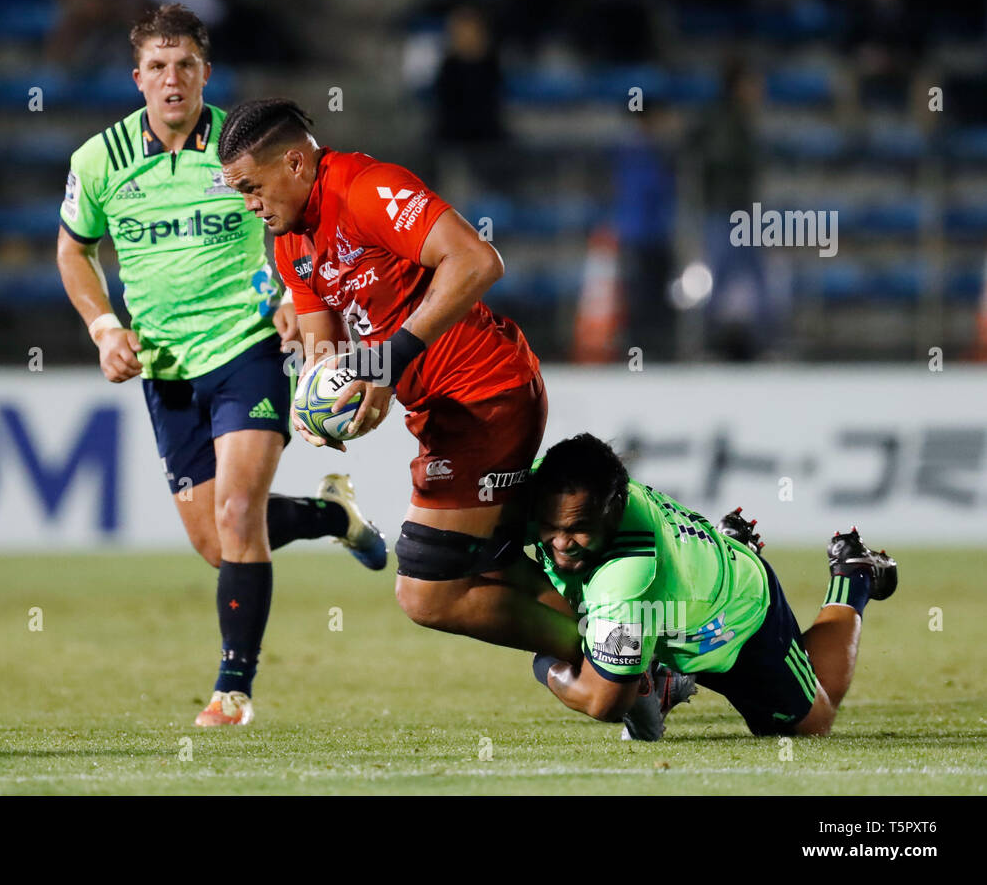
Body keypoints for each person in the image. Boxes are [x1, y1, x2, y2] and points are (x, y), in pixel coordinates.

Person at [55, 5, 385, 728]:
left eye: (186, 65)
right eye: (157, 67)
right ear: (136, 78)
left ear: (206, 72)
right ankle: (335, 514)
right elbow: (72, 249)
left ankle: (233, 691)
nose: (172, 79)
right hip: (166, 369)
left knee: (238, 515)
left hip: (247, 350)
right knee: (217, 543)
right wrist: (105, 326)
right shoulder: (98, 161)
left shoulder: (248, 146)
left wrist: (299, 296)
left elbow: (305, 215)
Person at [218, 98, 582, 661]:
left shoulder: (366, 189)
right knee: (487, 563)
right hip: (440, 413)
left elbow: (477, 261)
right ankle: (628, 645)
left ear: (294, 163)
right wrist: (314, 399)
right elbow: (326, 350)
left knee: (426, 592)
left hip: (484, 391)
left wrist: (389, 361)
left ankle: (616, 661)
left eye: (250, 187)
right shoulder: (293, 240)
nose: (248, 205)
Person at [526, 433, 898, 738]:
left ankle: (854, 574)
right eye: (551, 526)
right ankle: (661, 664)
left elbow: (605, 702)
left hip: (733, 616)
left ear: (614, 508)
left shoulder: (628, 576)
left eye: (579, 529)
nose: (560, 542)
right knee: (612, 629)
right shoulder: (548, 486)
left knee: (811, 723)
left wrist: (545, 664)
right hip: (678, 595)